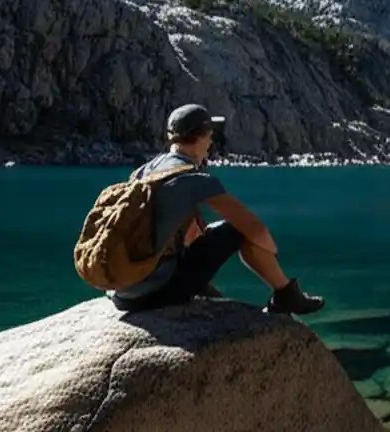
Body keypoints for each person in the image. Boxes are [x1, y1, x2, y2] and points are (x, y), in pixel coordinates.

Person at [109, 103, 326, 315]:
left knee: (206, 235)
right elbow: (252, 228)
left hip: (124, 295)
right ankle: (287, 295)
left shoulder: (145, 171)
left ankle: (203, 292)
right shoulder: (192, 177)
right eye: (210, 134)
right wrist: (270, 251)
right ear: (201, 137)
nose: (212, 140)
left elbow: (183, 236)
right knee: (233, 230)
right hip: (154, 295)